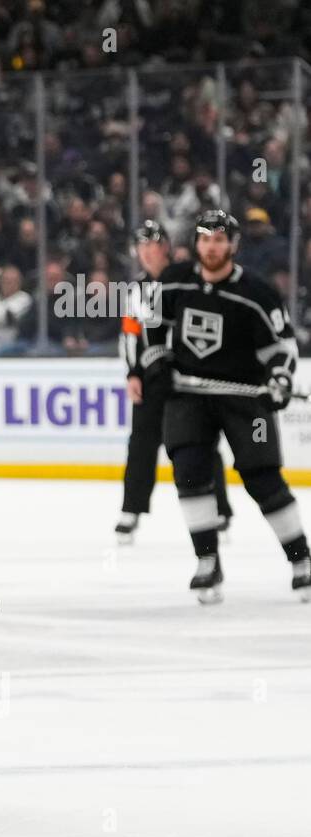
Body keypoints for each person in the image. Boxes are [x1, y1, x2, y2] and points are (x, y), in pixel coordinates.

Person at [142, 210, 309, 603]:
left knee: (263, 478)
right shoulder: (173, 282)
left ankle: (301, 560)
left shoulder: (257, 293)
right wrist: (158, 364)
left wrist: (279, 381)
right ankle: (207, 561)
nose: (211, 247)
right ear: (197, 243)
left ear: (232, 245)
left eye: (219, 240)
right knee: (190, 474)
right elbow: (153, 329)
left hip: (244, 398)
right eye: (204, 239)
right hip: (188, 396)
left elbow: (281, 348)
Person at [116, 220, 231, 543]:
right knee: (141, 444)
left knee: (200, 442)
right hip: (152, 380)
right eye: (142, 248)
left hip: (186, 376)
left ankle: (219, 508)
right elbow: (129, 336)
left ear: (165, 247)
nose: (148, 253)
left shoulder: (185, 280)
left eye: (153, 246)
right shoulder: (135, 291)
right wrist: (132, 373)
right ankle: (131, 509)